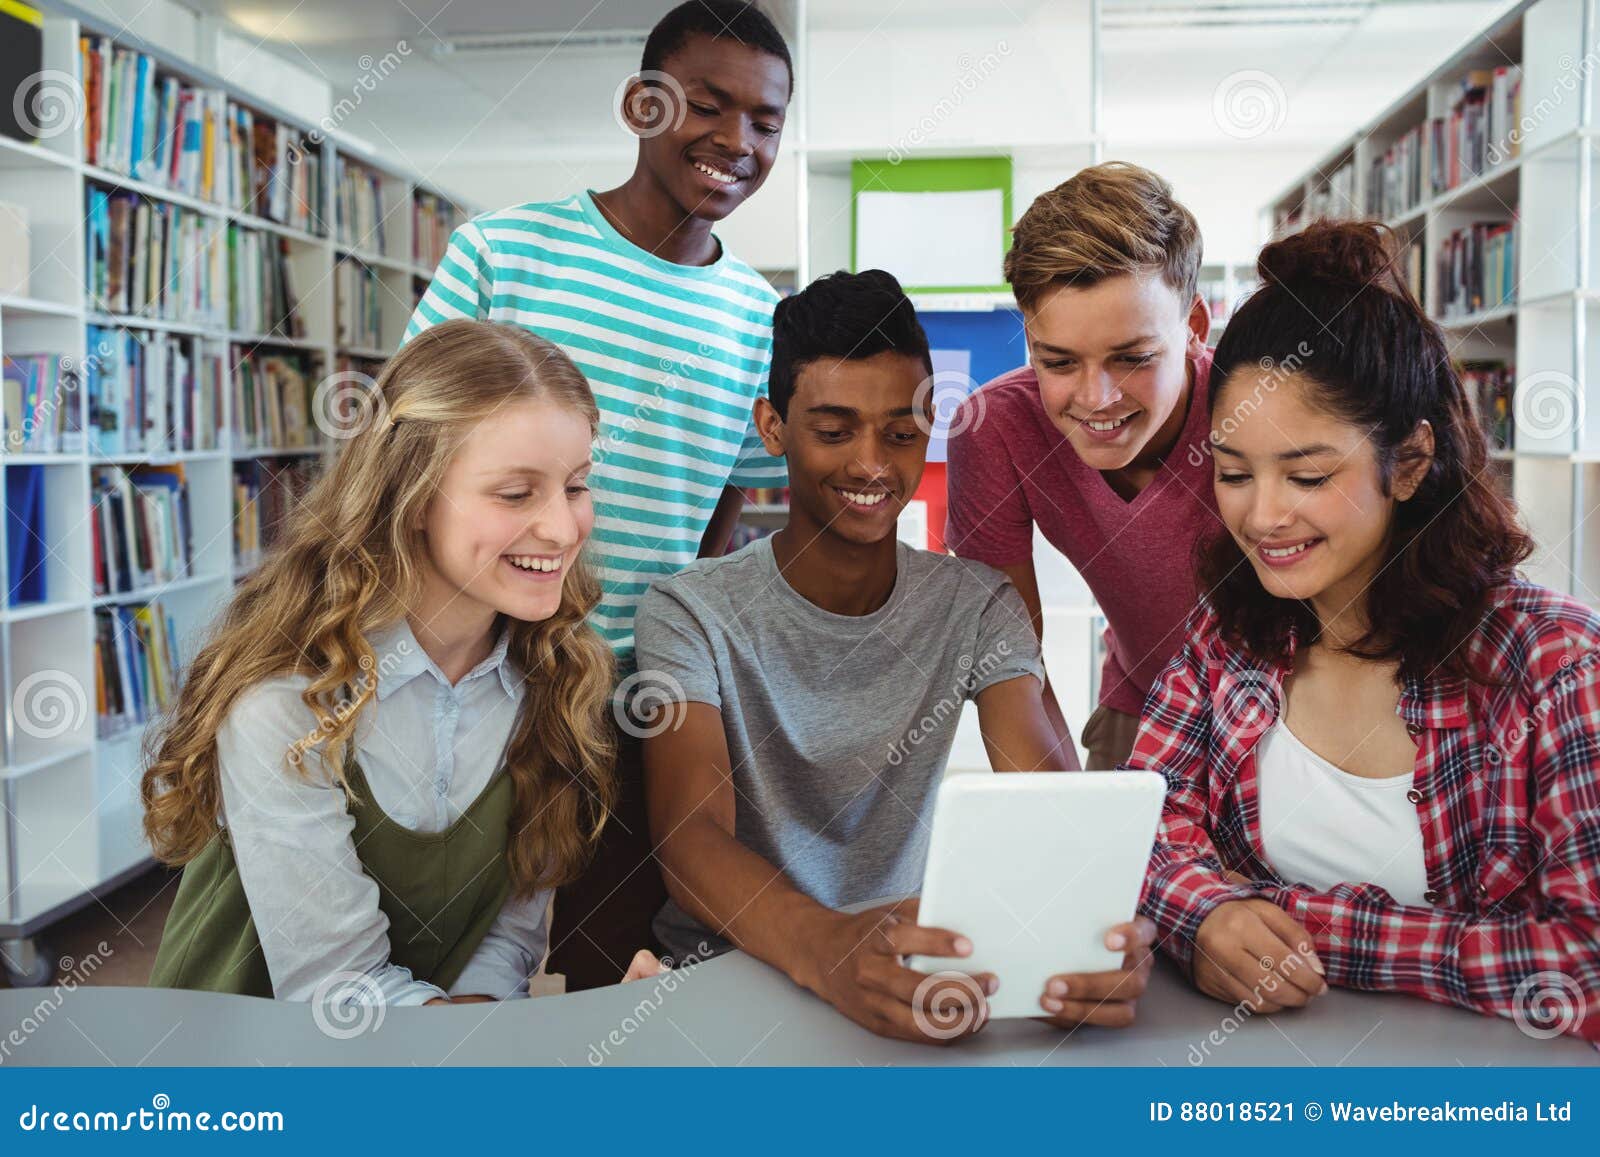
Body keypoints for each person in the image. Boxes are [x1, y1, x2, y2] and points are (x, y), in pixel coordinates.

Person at [635, 270, 1155, 1044]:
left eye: (901, 433)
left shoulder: (975, 604)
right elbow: (691, 839)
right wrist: (827, 950)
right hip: (723, 976)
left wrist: (1088, 929)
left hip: (899, 972)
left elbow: (1045, 798)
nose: (873, 465)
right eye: (835, 430)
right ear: (773, 427)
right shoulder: (689, 608)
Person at [404, 1, 794, 989]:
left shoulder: (757, 318)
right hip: (475, 665)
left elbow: (725, 511)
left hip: (633, 689)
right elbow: (407, 451)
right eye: (709, 105)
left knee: (604, 957)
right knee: (428, 942)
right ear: (641, 103)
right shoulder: (504, 250)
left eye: (764, 121)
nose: (736, 142)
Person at [1133, 220, 1600, 1043]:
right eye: (1234, 473)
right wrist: (1205, 913)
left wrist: (1286, 920)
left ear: (1410, 463)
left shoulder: (1557, 665)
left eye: (1307, 474)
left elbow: (1583, 961)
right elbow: (1142, 822)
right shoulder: (1229, 635)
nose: (1263, 515)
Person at [144, 321, 658, 1004]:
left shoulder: (560, 683)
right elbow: (339, 988)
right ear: (411, 496)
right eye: (515, 493)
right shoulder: (286, 700)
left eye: (575, 486)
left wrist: (487, 1027)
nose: (563, 530)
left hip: (415, 1064)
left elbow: (504, 937)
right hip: (239, 1081)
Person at [944, 162, 1215, 770]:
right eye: (1059, 363)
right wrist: (1065, 817)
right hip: (1142, 703)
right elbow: (1013, 663)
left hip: (1299, 713)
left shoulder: (1258, 407)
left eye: (1133, 358)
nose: (1096, 398)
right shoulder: (994, 431)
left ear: (1194, 326)